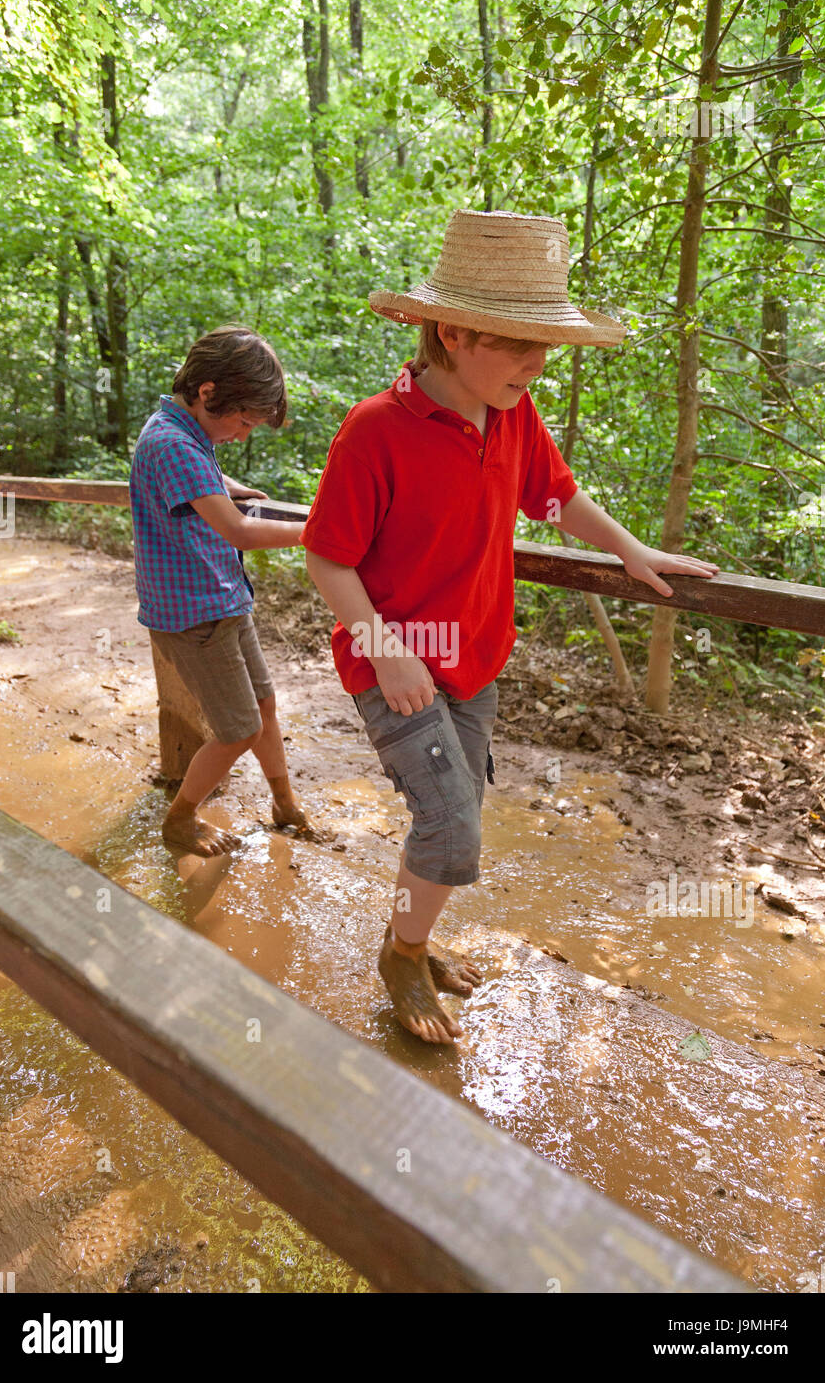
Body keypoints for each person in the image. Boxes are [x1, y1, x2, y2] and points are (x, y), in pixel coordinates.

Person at [301, 209, 720, 1044]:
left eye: (546, 345)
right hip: (397, 665)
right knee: (451, 826)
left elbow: (555, 498)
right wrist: (384, 651)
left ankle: (409, 940)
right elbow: (326, 558)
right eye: (518, 344)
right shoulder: (374, 430)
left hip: (478, 660)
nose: (538, 363)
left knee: (451, 820)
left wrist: (631, 549)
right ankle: (400, 956)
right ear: (452, 333)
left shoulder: (514, 414)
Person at [131, 324, 310, 857]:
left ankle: (284, 804)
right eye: (244, 419)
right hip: (194, 616)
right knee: (237, 730)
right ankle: (181, 820)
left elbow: (195, 473)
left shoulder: (182, 432)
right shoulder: (171, 443)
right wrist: (321, 529)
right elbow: (239, 531)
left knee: (265, 707)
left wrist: (224, 486)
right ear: (208, 392)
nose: (244, 432)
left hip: (222, 600)